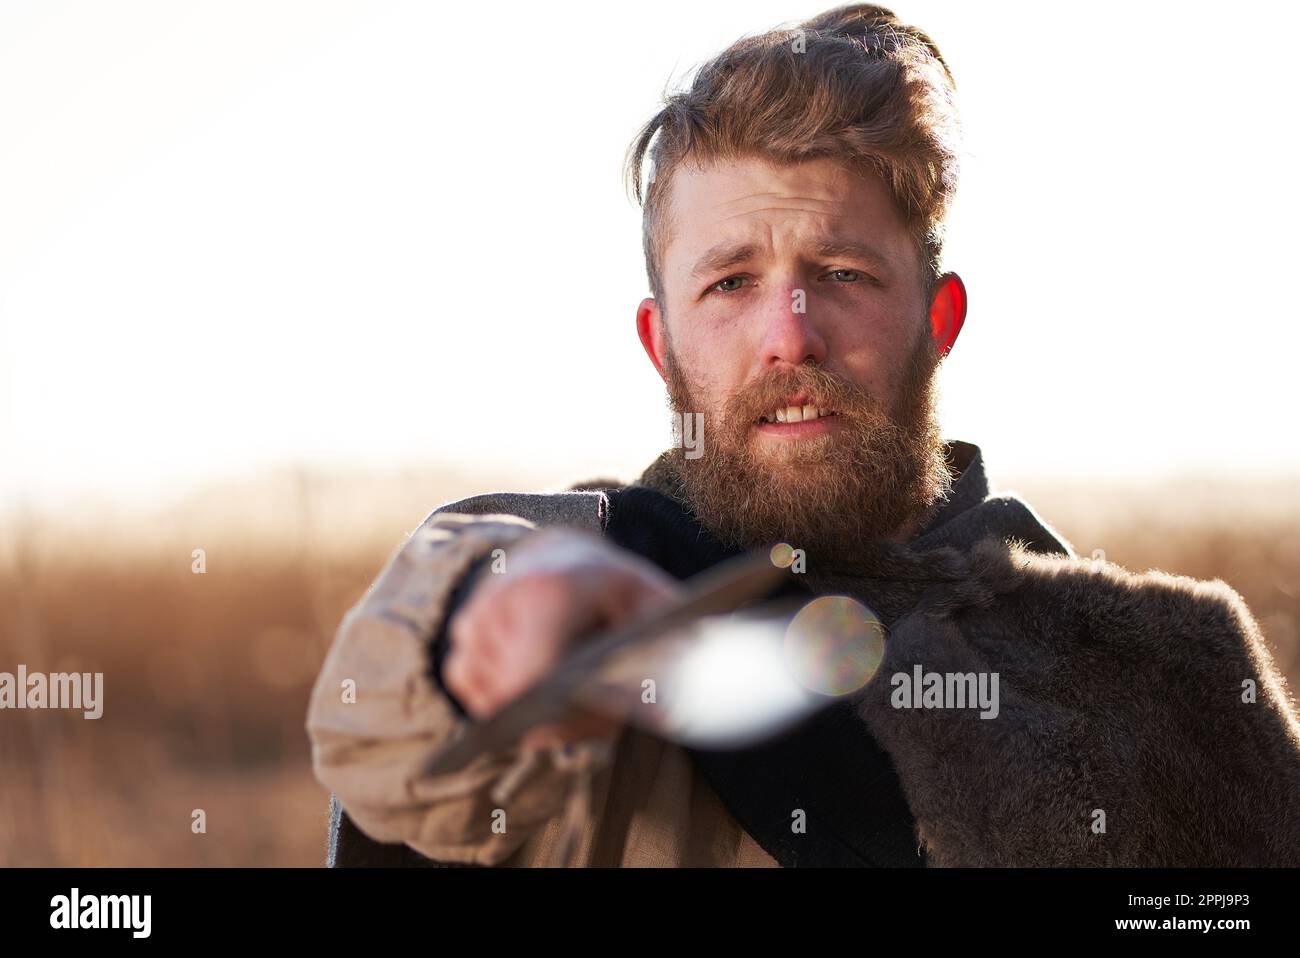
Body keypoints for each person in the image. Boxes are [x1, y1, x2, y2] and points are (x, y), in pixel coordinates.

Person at [305, 3, 1300, 867]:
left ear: (936, 321)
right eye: (730, 282)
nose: (790, 335)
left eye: (843, 273)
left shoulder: (1145, 667)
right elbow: (396, 728)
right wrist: (485, 631)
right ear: (662, 344)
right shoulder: (577, 572)